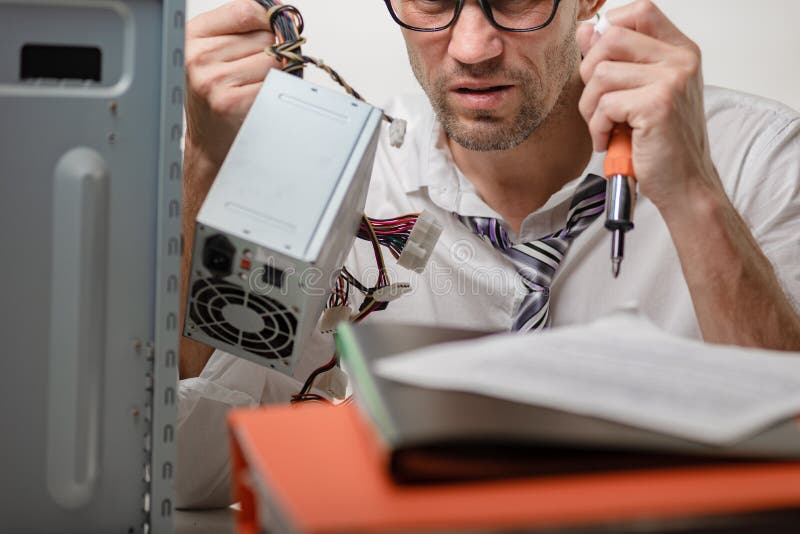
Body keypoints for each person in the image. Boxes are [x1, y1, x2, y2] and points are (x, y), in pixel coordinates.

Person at [177, 0, 800, 507]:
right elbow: (188, 465)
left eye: (515, 0)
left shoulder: (755, 158)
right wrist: (205, 163)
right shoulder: (329, 176)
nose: (473, 48)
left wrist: (692, 194)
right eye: (434, 2)